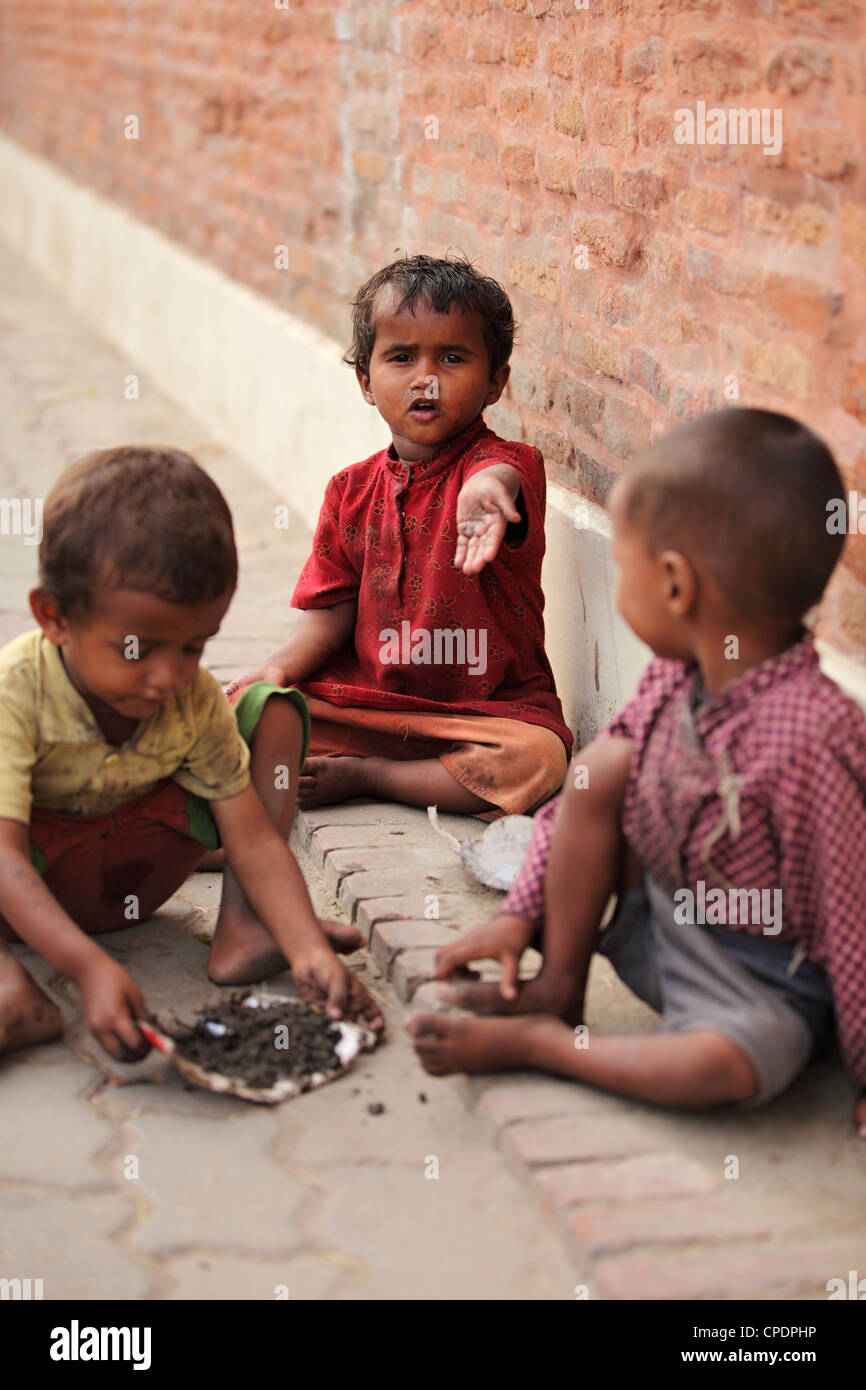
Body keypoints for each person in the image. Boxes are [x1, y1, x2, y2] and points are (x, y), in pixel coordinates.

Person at [408, 408, 866, 1138]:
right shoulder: (676, 680)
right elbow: (576, 810)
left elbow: (853, 918)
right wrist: (517, 916)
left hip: (761, 988)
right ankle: (557, 989)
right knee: (606, 767)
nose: (620, 589)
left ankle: (551, 1048)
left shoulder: (816, 736)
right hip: (665, 926)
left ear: (677, 586)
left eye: (625, 569)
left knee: (725, 1069)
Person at [0, 446, 382, 1065]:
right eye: (137, 649)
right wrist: (87, 969)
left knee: (273, 706)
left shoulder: (193, 701)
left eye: (193, 647)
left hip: (133, 881)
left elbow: (255, 842)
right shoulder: (17, 690)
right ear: (54, 616)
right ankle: (15, 993)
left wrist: (305, 946)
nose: (167, 677)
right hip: (27, 904)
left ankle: (245, 932)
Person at [229, 253, 572, 818]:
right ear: (365, 381)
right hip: (368, 707)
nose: (427, 377)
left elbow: (502, 478)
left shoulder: (510, 465)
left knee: (539, 758)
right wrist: (279, 669)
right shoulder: (349, 490)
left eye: (453, 357)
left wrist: (488, 490)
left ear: (495, 382)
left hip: (484, 715)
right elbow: (329, 613)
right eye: (401, 357)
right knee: (246, 709)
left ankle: (372, 778)